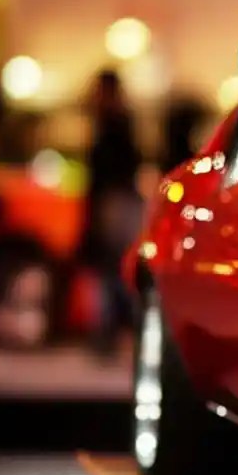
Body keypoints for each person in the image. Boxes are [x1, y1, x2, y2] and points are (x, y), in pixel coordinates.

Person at [77, 69, 143, 356]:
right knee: (113, 273)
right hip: (116, 206)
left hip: (112, 207)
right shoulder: (117, 124)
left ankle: (112, 333)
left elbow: (113, 174)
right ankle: (115, 333)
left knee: (112, 273)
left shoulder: (114, 126)